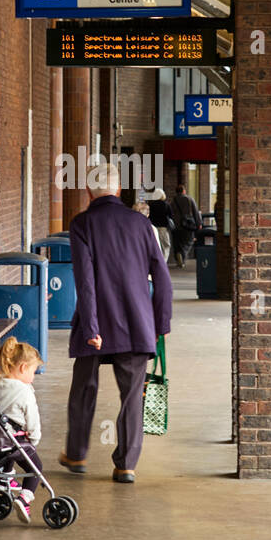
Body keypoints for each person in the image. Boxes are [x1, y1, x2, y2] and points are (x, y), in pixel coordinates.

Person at [62, 160, 172, 483]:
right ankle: (126, 465)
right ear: (119, 190)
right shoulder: (140, 224)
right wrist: (160, 323)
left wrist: (92, 328)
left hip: (95, 323)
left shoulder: (81, 224)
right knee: (132, 394)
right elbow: (162, 278)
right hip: (137, 323)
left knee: (83, 387)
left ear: (87, 192)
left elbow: (85, 282)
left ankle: (77, 454)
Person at [0, 336, 44, 522]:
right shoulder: (24, 391)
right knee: (35, 466)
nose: (33, 377)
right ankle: (25, 498)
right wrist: (34, 440)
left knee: (6, 437)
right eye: (33, 371)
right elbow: (33, 420)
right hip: (14, 444)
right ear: (23, 368)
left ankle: (5, 478)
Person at [169, 184, 202, 269]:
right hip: (188, 225)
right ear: (184, 191)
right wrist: (199, 223)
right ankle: (182, 255)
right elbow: (195, 212)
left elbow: (170, 214)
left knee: (178, 243)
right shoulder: (189, 199)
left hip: (176, 226)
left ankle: (179, 258)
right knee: (189, 241)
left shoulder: (173, 201)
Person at [145, 187, 173, 261]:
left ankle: (156, 261)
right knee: (166, 245)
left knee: (156, 245)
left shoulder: (150, 205)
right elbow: (171, 216)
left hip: (153, 227)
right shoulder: (166, 205)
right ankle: (163, 262)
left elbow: (148, 216)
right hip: (163, 228)